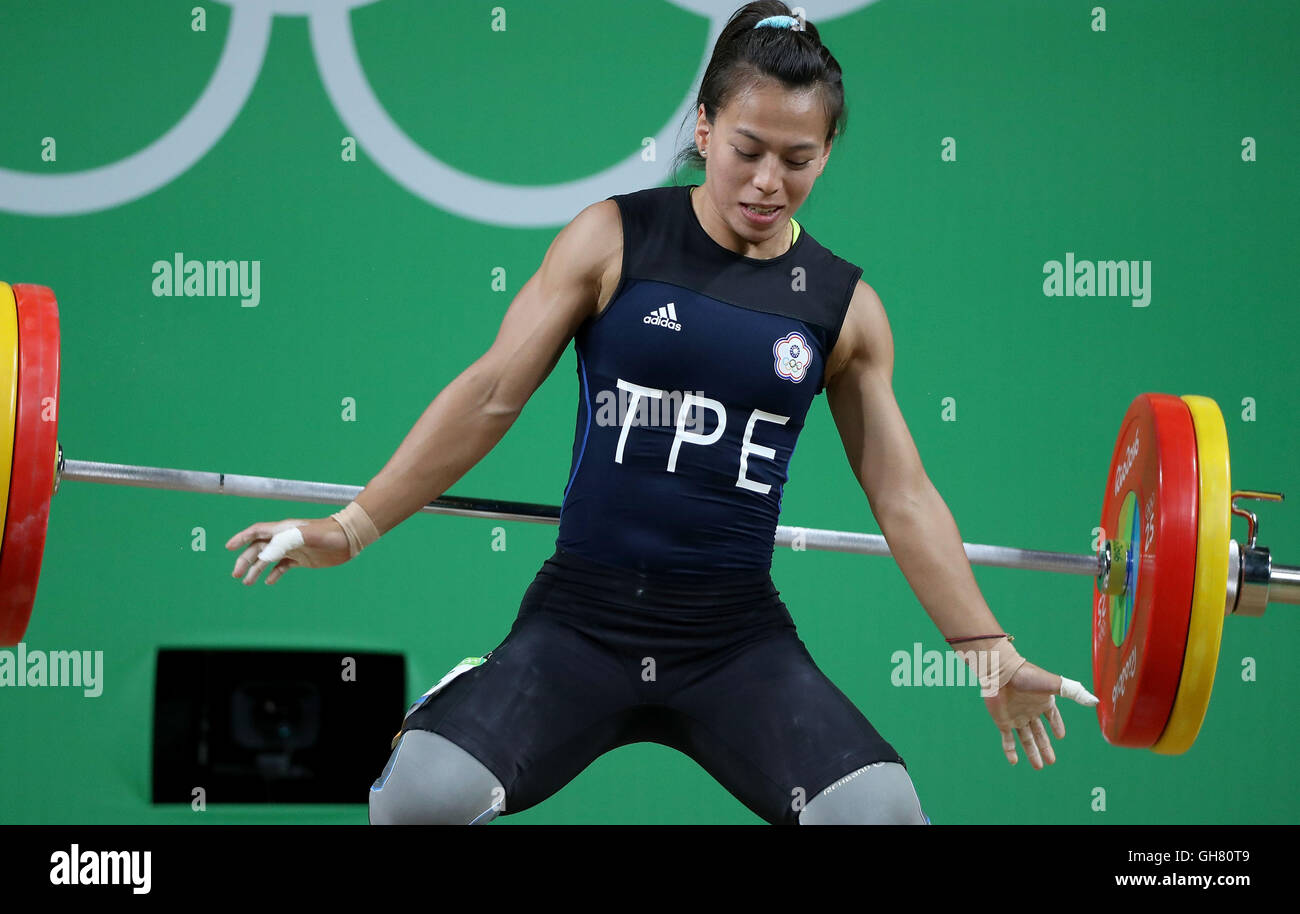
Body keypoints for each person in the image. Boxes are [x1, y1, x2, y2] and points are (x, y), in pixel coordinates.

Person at [226, 1, 1097, 825]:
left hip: (735, 642)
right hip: (580, 621)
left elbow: (903, 496)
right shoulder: (613, 238)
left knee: (883, 817)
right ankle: (461, 699)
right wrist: (351, 527)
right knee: (415, 801)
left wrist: (989, 655)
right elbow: (492, 393)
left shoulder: (844, 307)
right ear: (706, 129)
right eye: (747, 149)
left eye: (798, 160)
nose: (768, 182)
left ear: (827, 151)